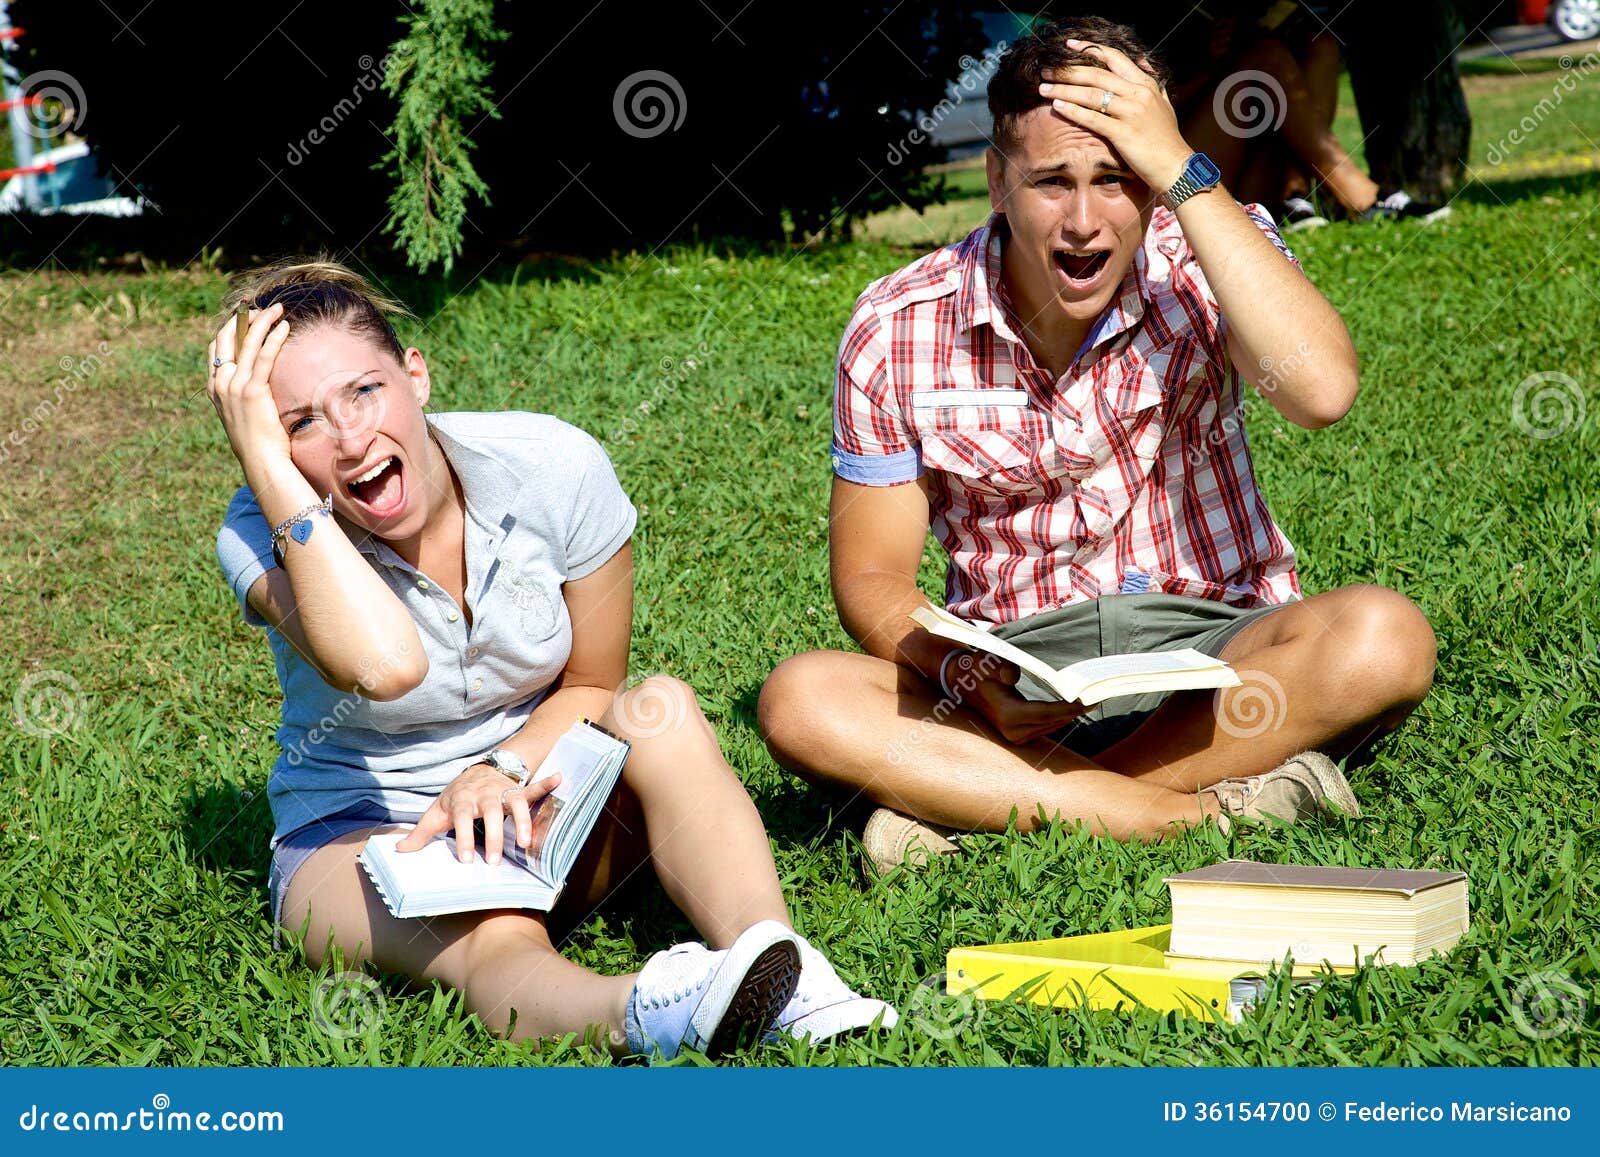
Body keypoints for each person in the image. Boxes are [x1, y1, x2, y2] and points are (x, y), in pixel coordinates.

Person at [758, 17, 1436, 873]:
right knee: (802, 696)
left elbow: (1323, 391)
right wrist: (955, 664)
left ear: (1154, 183)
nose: (1085, 221)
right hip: (1015, 672)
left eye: (1118, 179)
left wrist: (1185, 175)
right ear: (997, 184)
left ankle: (990, 804)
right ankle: (1190, 816)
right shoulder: (896, 324)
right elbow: (871, 575)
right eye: (1051, 182)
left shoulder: (1204, 254)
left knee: (1386, 637)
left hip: (1216, 657)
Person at [210, 260, 895, 1058]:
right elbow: (384, 664)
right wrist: (267, 470)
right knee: (494, 937)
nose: (351, 436)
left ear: (416, 376)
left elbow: (594, 683)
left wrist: (501, 768)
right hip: (365, 838)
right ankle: (653, 1007)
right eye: (300, 424)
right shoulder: (264, 532)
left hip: (541, 797)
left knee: (661, 705)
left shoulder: (551, 465)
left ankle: (785, 967)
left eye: (363, 392)